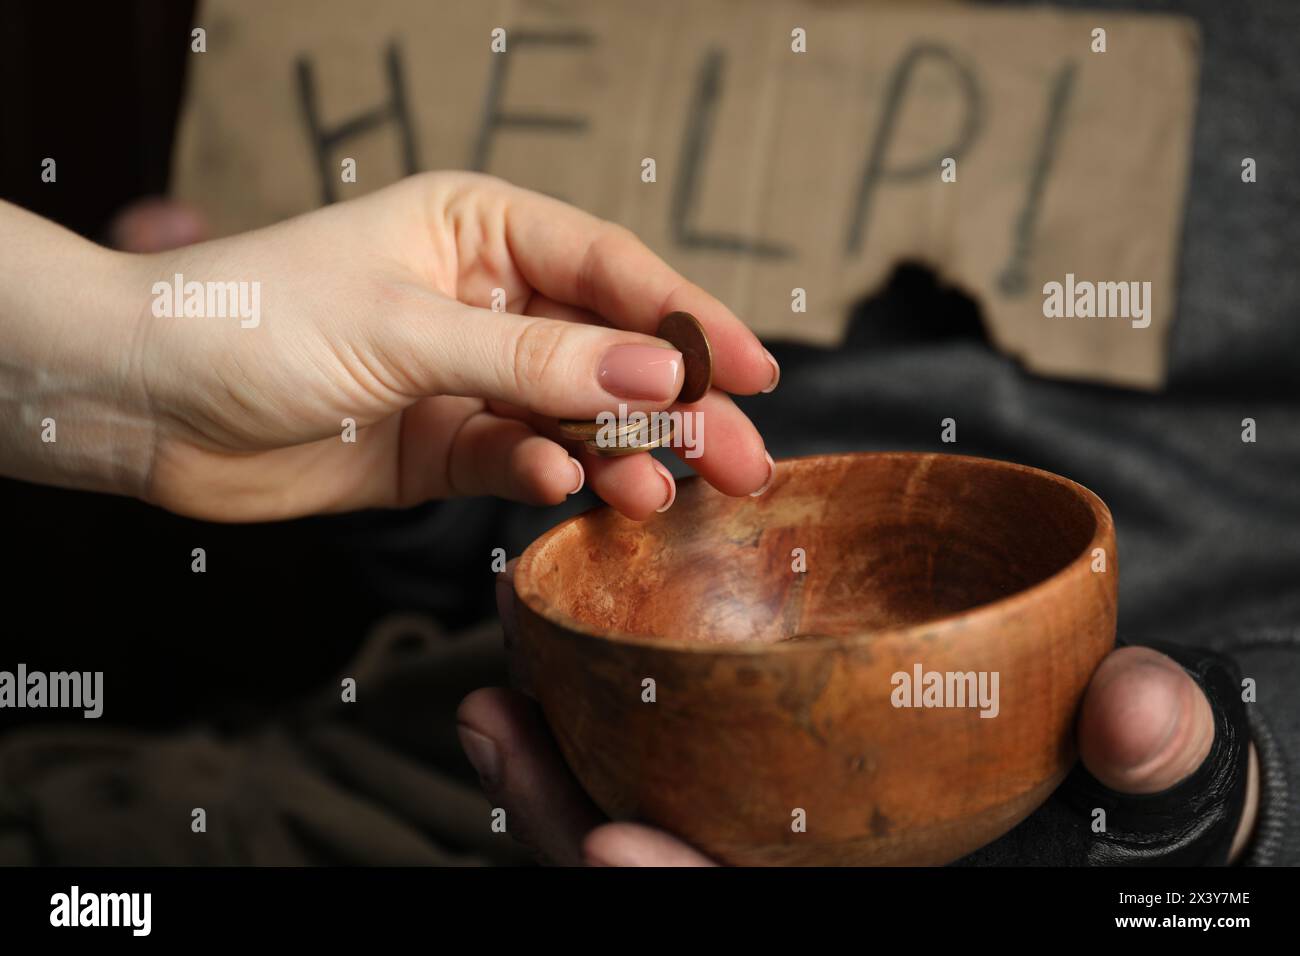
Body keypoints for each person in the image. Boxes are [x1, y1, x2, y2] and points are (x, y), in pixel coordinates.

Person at [0, 172, 1260, 865]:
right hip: (483, 708)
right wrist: (138, 352)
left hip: (1142, 772)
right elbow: (514, 469)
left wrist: (1253, 797)